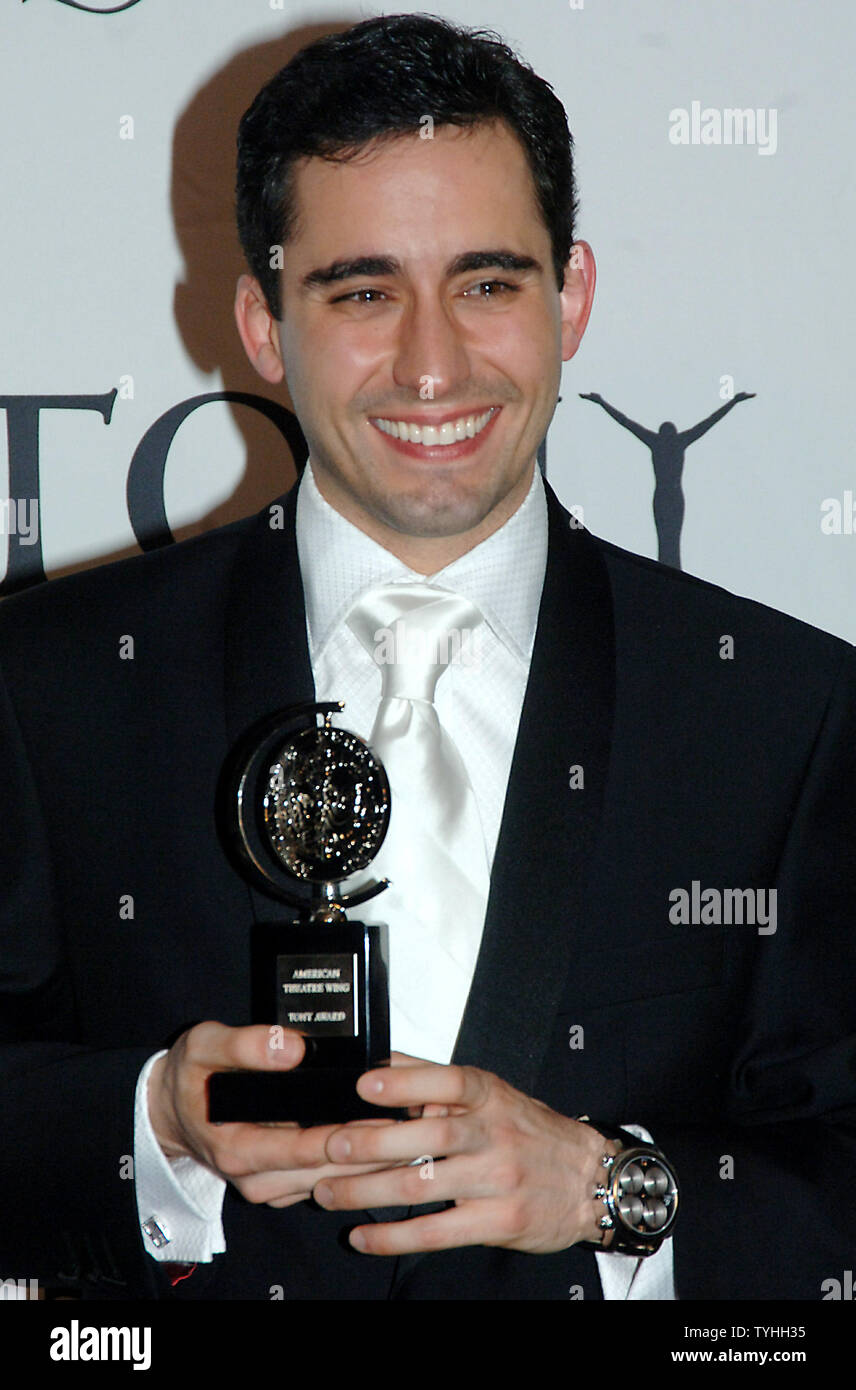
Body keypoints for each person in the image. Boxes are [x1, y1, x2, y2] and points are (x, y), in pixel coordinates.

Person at [0, 14, 854, 1303]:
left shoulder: (781, 713)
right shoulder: (50, 684)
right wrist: (155, 1126)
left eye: (487, 283)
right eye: (362, 292)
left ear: (571, 297)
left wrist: (604, 1189)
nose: (432, 362)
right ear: (264, 325)